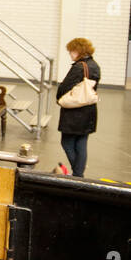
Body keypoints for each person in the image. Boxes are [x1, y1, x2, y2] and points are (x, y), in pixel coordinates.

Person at [56, 37, 99, 178]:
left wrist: (59, 99)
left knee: (67, 142)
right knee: (81, 142)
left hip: (75, 112)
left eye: (71, 51)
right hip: (89, 110)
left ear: (78, 51)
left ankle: (78, 174)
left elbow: (64, 87)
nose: (70, 54)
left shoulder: (79, 67)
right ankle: (78, 173)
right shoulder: (94, 65)